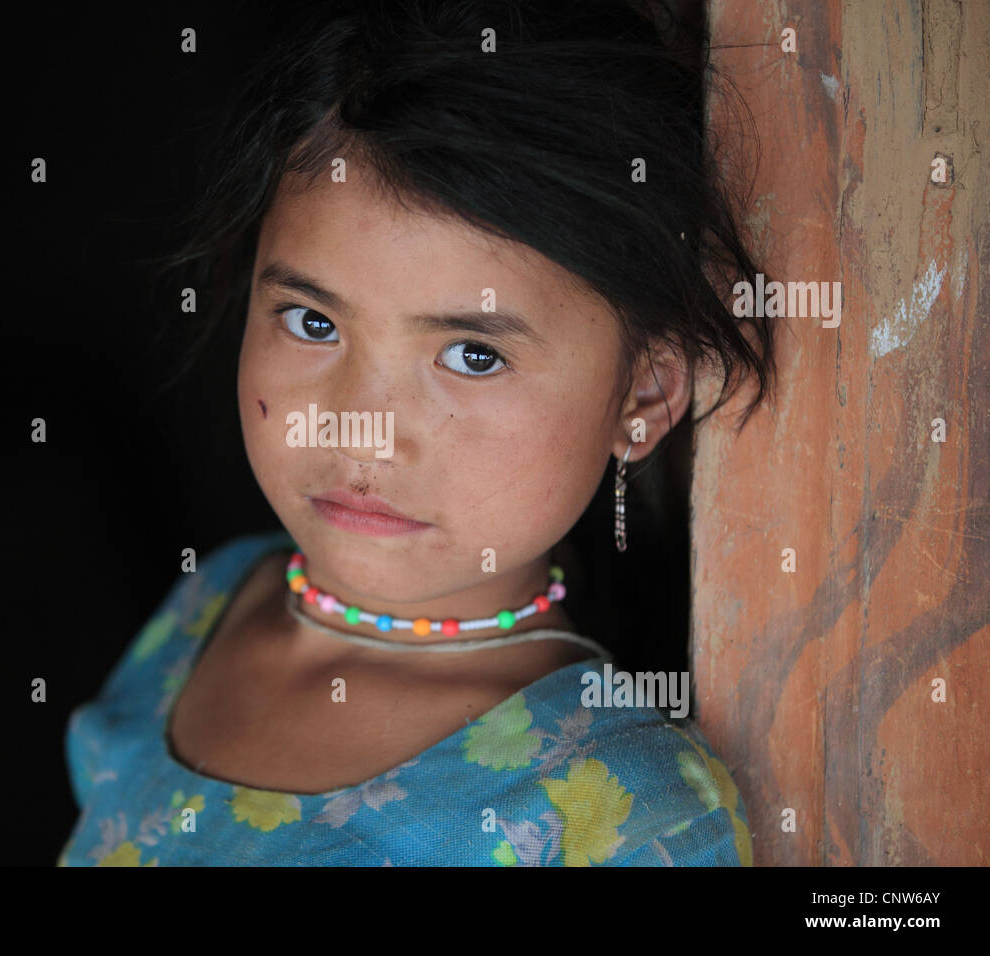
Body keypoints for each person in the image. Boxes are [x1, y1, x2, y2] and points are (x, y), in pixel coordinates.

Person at [59, 0, 774, 866]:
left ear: (646, 393)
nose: (363, 430)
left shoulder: (630, 815)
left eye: (472, 355)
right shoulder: (205, 607)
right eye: (311, 322)